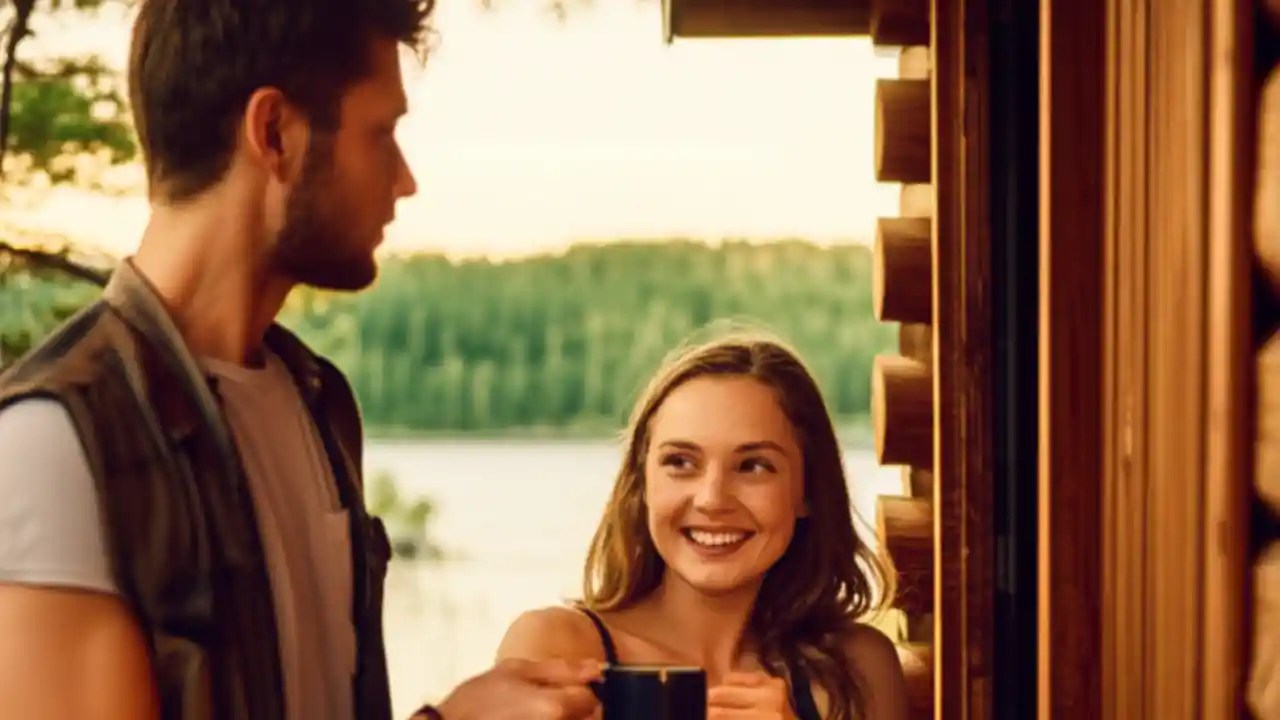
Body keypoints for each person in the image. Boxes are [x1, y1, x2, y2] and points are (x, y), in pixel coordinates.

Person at [0, 1, 599, 718]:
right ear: (275, 133)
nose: (405, 180)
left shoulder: (318, 405)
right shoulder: (53, 444)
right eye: (382, 133)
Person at [497, 334, 910, 720]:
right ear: (642, 484)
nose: (712, 499)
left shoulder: (857, 670)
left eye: (753, 466)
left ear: (808, 492)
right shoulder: (558, 649)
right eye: (680, 462)